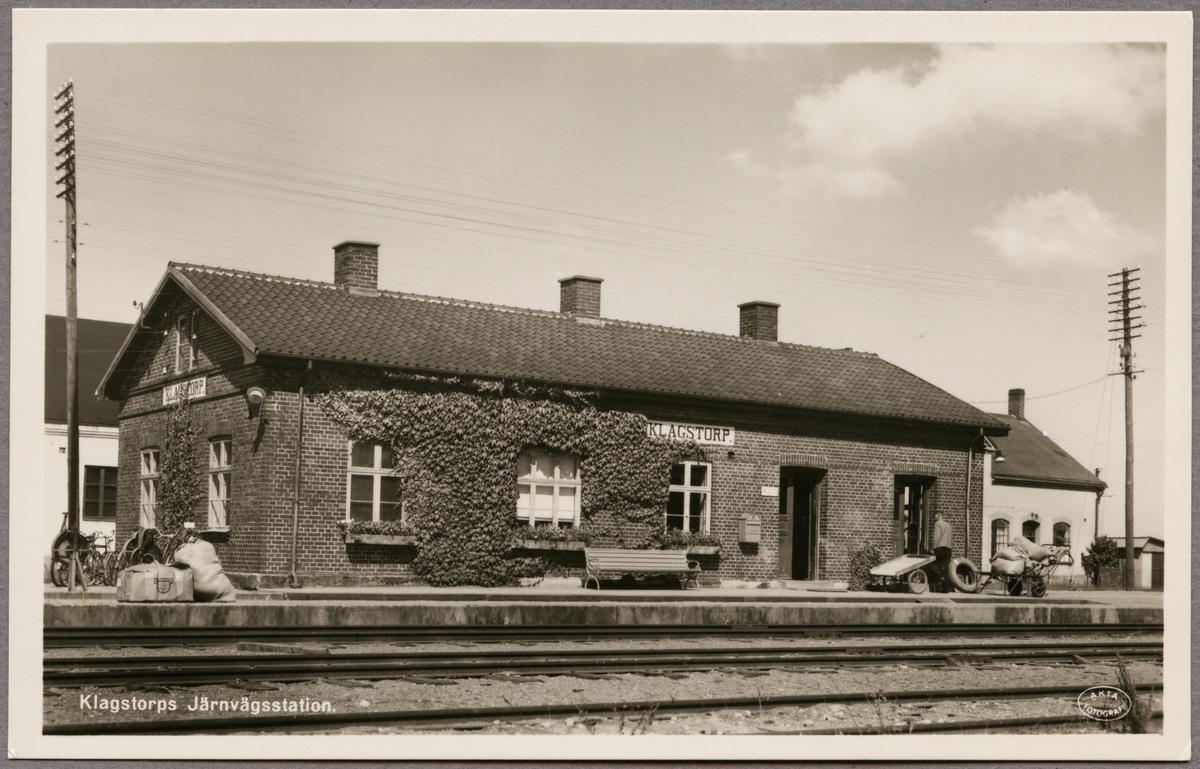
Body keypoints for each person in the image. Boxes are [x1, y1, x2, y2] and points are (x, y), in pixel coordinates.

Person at [930, 512, 954, 593]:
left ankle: (941, 578)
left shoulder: (937, 523)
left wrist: (934, 548)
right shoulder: (948, 525)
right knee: (945, 568)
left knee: (933, 564)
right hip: (948, 548)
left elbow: (936, 537)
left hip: (940, 547)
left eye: (935, 515)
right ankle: (946, 588)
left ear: (939, 515)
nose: (934, 517)